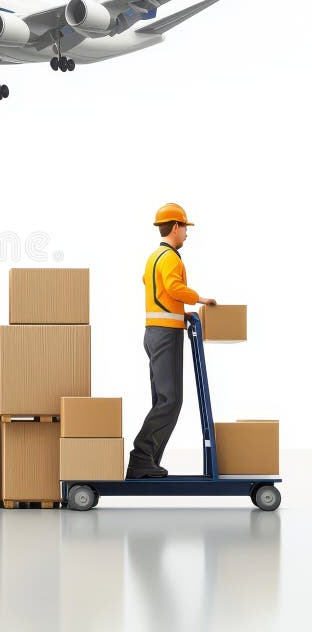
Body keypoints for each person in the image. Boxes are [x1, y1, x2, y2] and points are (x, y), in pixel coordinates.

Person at [127, 203, 216, 479]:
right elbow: (172, 287)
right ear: (175, 227)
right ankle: (141, 458)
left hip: (155, 332)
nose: (187, 234)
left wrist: (178, 311)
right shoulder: (171, 258)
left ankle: (147, 462)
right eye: (186, 228)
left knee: (163, 400)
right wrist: (200, 299)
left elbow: (150, 283)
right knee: (170, 400)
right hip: (165, 334)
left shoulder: (154, 257)